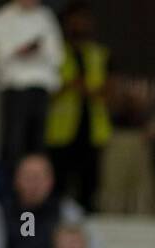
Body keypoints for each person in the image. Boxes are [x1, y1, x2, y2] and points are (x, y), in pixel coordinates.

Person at [44, 1, 109, 212]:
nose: (80, 25)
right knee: (59, 181)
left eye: (84, 21)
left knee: (89, 183)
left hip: (91, 129)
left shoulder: (99, 54)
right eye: (75, 21)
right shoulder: (54, 53)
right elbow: (45, 90)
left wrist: (90, 90)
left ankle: (87, 225)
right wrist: (69, 86)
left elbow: (111, 90)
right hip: (60, 131)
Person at [0, 0, 63, 163]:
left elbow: (57, 54)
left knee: (39, 143)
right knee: (14, 142)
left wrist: (37, 51)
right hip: (15, 87)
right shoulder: (1, 18)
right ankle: (10, 184)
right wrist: (17, 52)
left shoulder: (45, 17)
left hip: (41, 86)